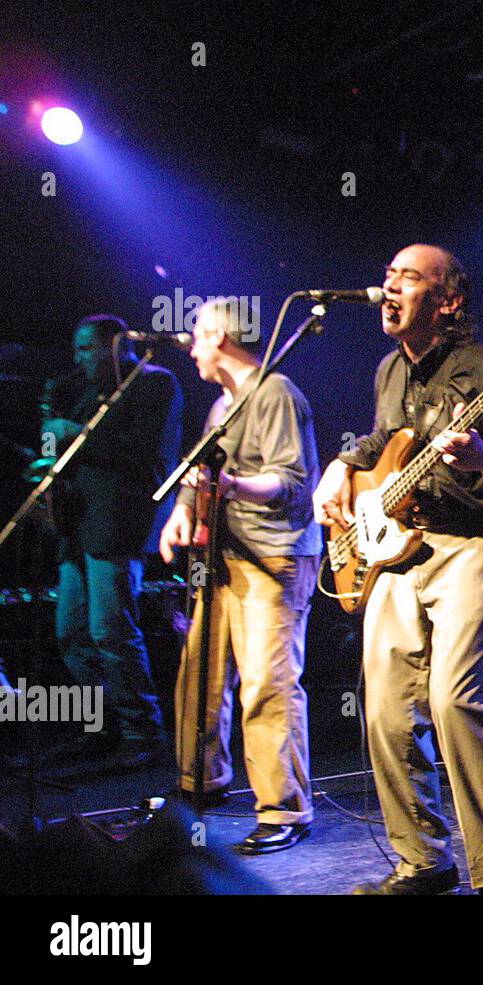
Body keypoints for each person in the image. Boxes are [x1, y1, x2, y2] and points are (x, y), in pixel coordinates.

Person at [312, 243, 483, 894]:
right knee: (387, 709)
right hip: (398, 547)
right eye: (386, 274)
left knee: (453, 702)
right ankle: (423, 859)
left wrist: (482, 455)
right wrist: (341, 465)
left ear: (446, 301)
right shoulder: (390, 369)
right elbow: (382, 437)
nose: (388, 286)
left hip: (473, 541)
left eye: (408, 277)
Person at [158, 298, 322, 854]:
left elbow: (290, 482)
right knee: (200, 673)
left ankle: (285, 809)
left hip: (274, 557)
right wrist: (184, 511)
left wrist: (234, 487)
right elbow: (200, 470)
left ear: (222, 337)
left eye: (199, 336)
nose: (192, 346)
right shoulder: (223, 404)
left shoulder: (274, 393)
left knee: (267, 685)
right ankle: (200, 781)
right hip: (226, 556)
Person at [43, 314, 182, 771]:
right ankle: (103, 727)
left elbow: (144, 454)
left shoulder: (153, 384)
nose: (78, 358)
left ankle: (143, 731)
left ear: (114, 346)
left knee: (111, 631)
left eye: (86, 348)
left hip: (119, 523)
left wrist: (76, 437)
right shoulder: (88, 395)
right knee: (72, 633)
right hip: (78, 525)